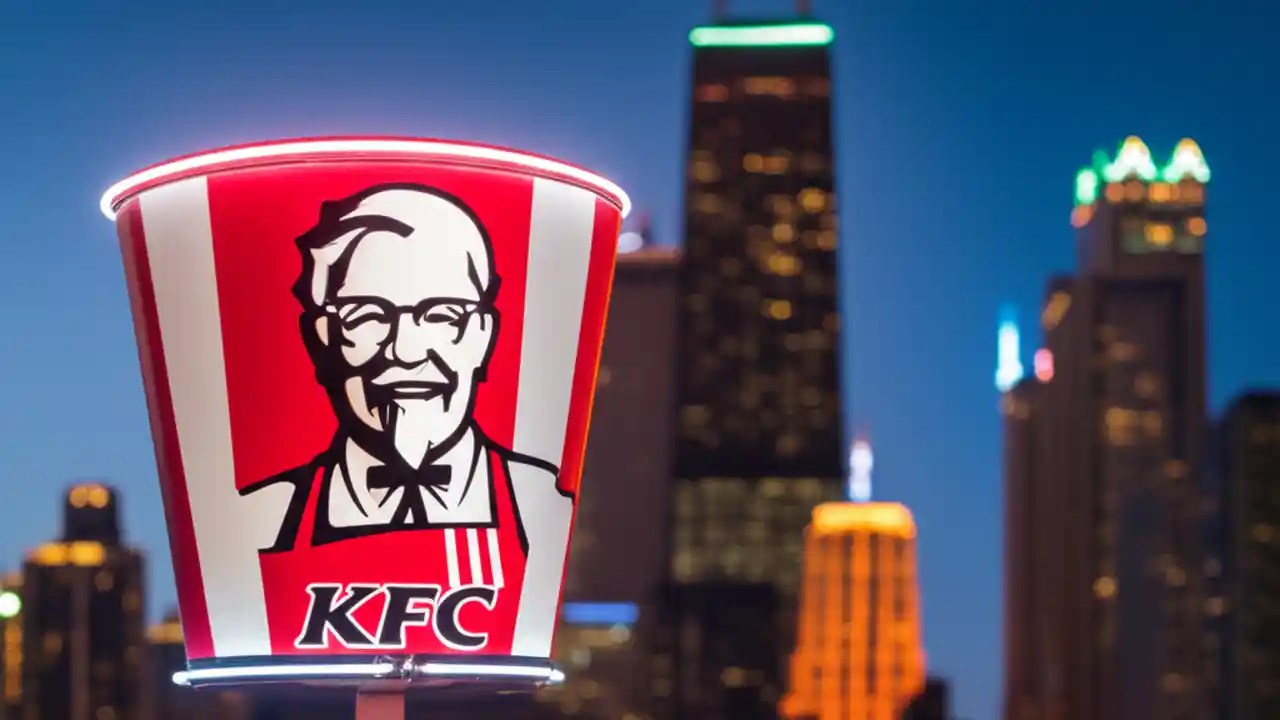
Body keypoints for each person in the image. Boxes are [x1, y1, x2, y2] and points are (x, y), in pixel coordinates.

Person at [241, 184, 573, 651]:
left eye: (442, 315)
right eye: (367, 315)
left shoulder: (542, 505)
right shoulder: (261, 519)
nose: (406, 350)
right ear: (322, 339)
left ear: (482, 336)